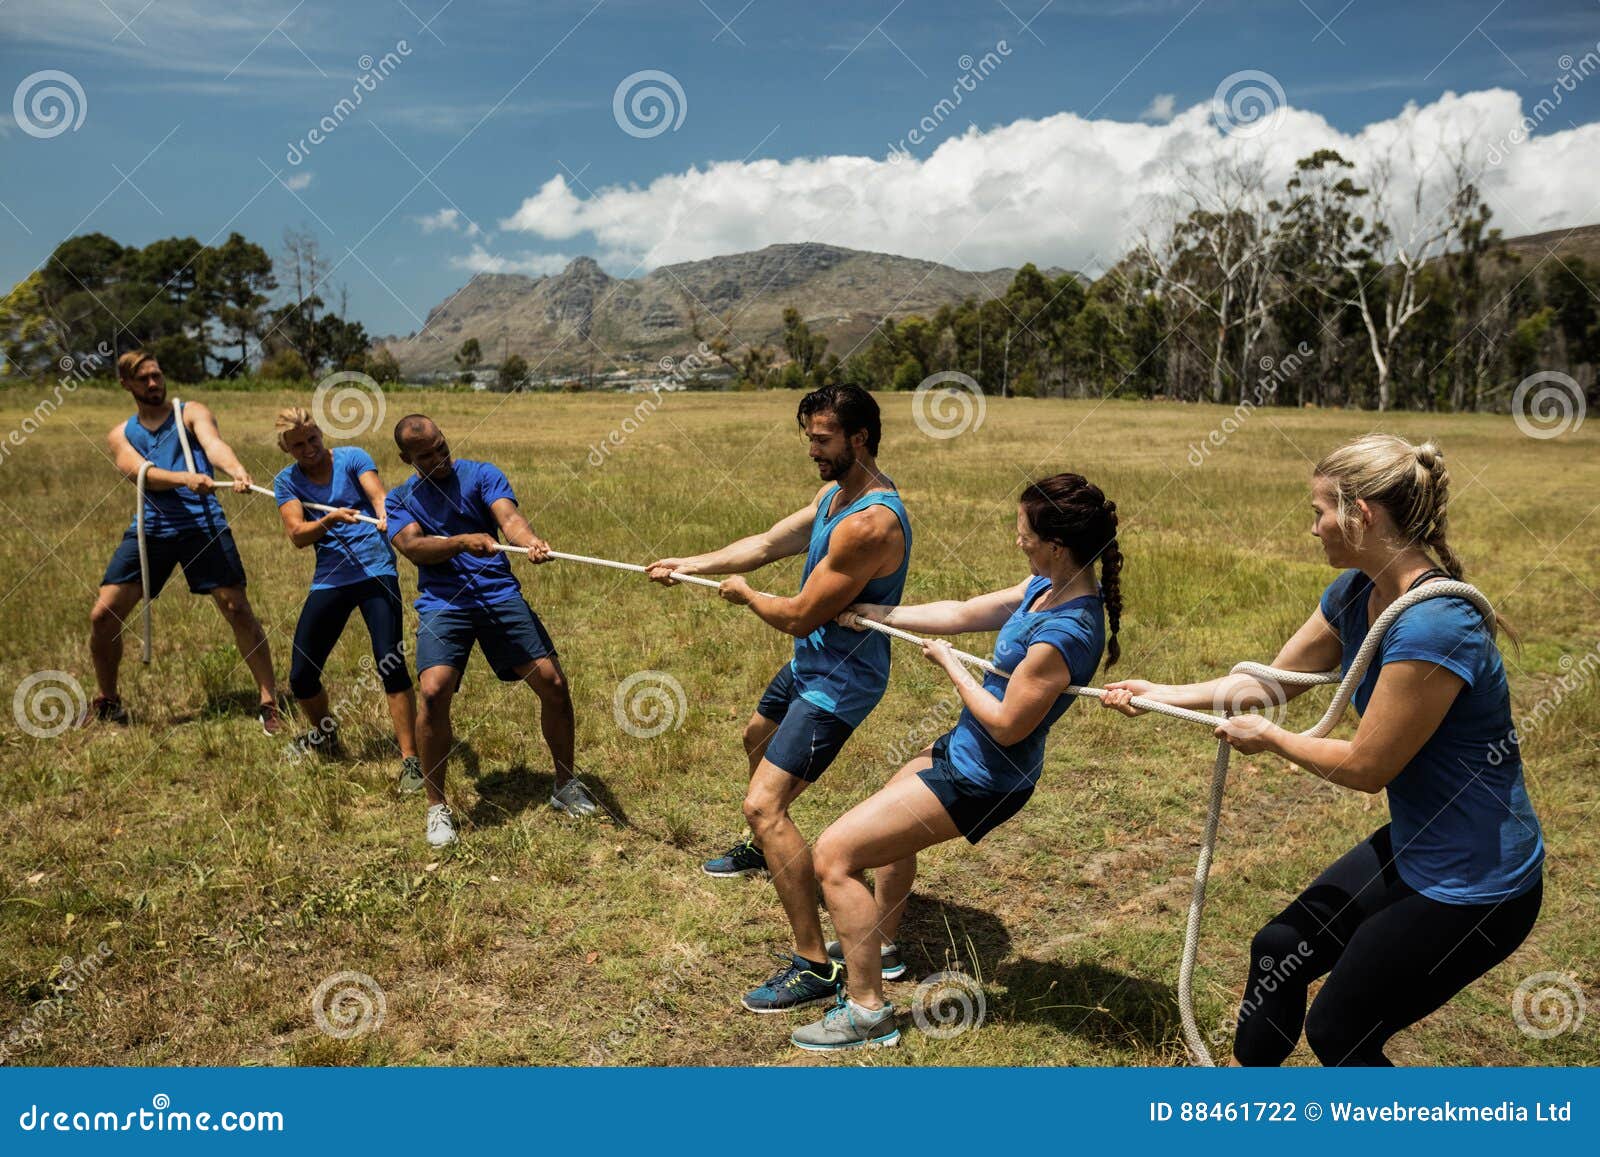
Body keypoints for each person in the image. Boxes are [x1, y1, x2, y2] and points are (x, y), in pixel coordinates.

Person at [1101, 434, 1544, 1067]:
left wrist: (1273, 739)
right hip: (1423, 845)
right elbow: (1271, 682)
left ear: (1361, 515)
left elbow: (1369, 767)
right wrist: (1160, 692)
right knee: (1280, 947)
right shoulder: (1357, 593)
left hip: (1479, 885)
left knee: (1341, 1031)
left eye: (1319, 512)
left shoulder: (1435, 624)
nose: (1313, 528)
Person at [787, 472, 1119, 1050]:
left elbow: (1010, 724)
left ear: (1057, 545)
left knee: (834, 856)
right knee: (891, 837)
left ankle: (867, 1012)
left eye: (1025, 533)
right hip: (963, 751)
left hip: (984, 776)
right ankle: (881, 947)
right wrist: (879, 612)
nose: (1019, 541)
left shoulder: (1068, 630)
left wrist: (950, 665)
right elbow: (964, 611)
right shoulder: (1044, 588)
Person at [646, 383, 912, 1014]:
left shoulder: (870, 522)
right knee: (754, 738)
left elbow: (793, 615)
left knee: (764, 806)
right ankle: (767, 847)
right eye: (810, 438)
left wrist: (744, 595)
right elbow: (770, 543)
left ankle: (814, 965)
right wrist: (693, 563)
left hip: (839, 683)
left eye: (822, 440)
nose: (813, 451)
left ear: (860, 438)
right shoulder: (833, 496)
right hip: (809, 661)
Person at [385, 414, 597, 847]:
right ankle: (437, 807)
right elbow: (412, 548)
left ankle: (564, 784)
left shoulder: (481, 474)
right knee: (432, 692)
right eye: (426, 455)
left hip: (499, 595)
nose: (439, 458)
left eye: (442, 446)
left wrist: (528, 541)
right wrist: (462, 541)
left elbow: (509, 517)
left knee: (553, 683)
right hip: (444, 602)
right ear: (407, 459)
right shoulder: (400, 498)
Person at [88, 351, 280, 732]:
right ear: (126, 384)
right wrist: (184, 479)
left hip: (202, 525)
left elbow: (213, 445)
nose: (154, 384)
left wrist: (237, 470)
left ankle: (269, 701)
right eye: (144, 379)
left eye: (157, 375)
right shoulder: (120, 434)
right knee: (103, 615)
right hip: (151, 529)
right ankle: (109, 700)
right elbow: (137, 471)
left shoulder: (190, 412)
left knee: (236, 608)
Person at [271, 408, 420, 789]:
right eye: (299, 444)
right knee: (302, 676)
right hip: (330, 580)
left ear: (320, 433)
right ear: (287, 448)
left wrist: (387, 517)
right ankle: (325, 733)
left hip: (375, 571)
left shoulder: (353, 458)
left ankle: (411, 760)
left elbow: (379, 495)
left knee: (390, 660)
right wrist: (328, 521)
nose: (309, 449)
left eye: (313, 439)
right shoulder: (286, 483)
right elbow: (297, 535)